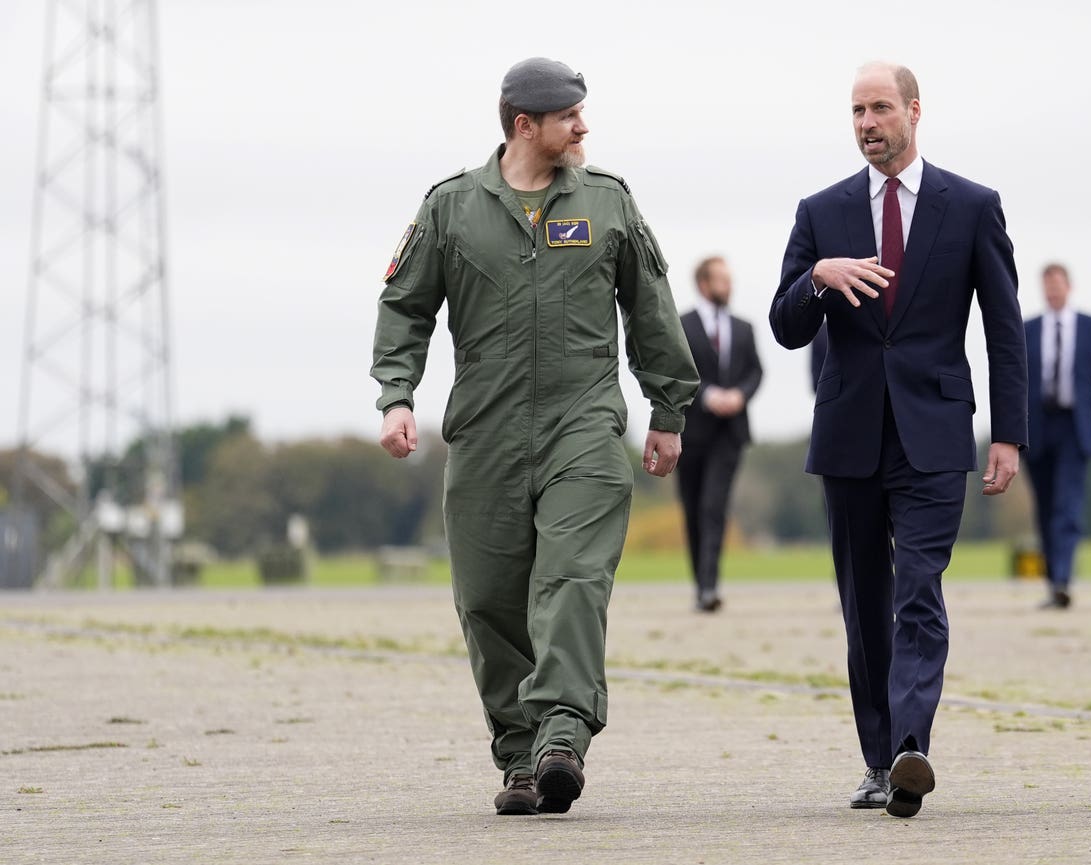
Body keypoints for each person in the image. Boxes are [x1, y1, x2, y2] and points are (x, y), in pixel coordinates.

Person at [370, 57, 698, 817]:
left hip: (583, 424)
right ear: (525, 125)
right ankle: (520, 758)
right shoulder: (451, 208)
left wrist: (668, 409)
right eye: (568, 116)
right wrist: (397, 396)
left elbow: (651, 308)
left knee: (571, 580)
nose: (583, 127)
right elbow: (405, 306)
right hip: (484, 433)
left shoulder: (608, 201)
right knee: (488, 599)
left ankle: (562, 735)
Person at [769, 61, 1027, 819]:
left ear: (915, 111)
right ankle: (879, 761)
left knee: (918, 589)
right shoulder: (821, 211)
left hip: (936, 432)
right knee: (864, 604)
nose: (867, 124)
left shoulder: (972, 206)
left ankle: (912, 746)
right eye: (857, 111)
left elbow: (1004, 330)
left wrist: (1008, 435)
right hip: (849, 434)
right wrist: (818, 277)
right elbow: (785, 327)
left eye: (880, 108)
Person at [1024, 263, 1091, 609]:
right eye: (1047, 285)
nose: (1052, 290)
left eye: (1057, 284)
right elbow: (1014, 383)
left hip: (1075, 429)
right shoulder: (1027, 329)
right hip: (1037, 428)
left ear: (1069, 287)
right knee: (1044, 508)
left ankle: (1063, 579)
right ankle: (1053, 583)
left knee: (1067, 506)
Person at [677, 256, 764, 612]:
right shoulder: (681, 325)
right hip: (692, 432)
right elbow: (676, 371)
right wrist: (708, 395)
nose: (729, 285)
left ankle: (709, 588)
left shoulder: (743, 328)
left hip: (730, 433)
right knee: (693, 508)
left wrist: (740, 395)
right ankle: (701, 584)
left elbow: (756, 371)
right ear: (704, 284)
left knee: (714, 506)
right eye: (722, 279)